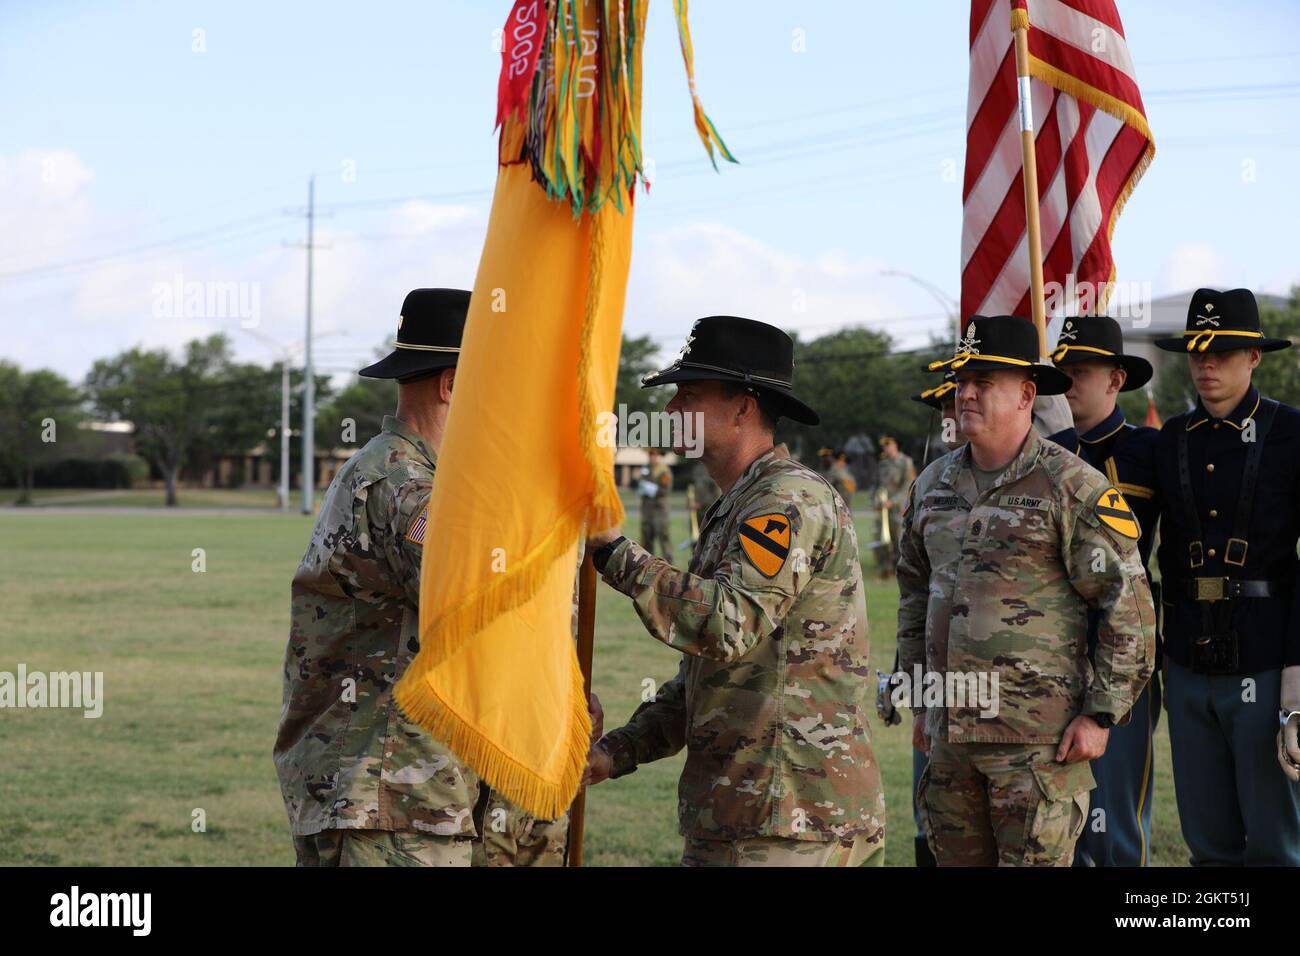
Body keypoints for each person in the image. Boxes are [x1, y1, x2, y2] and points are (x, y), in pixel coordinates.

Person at [273, 288, 568, 867]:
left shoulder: (419, 478)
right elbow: (482, 605)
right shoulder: (405, 486)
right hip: (390, 800)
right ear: (453, 384)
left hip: (403, 793)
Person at [583, 315, 886, 867]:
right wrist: (616, 752)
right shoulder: (739, 504)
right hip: (745, 816)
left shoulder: (787, 500)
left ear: (744, 408)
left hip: (792, 822)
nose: (671, 411)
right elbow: (708, 680)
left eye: (689, 394)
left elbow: (727, 624)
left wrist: (613, 552)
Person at [897, 314, 1156, 866]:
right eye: (962, 380)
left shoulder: (1073, 486)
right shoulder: (931, 485)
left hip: (1035, 747)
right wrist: (918, 693)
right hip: (949, 742)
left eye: (984, 382)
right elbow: (915, 593)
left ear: (1027, 394)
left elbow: (1127, 606)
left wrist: (1102, 714)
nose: (965, 392)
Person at [1151, 287, 1300, 866]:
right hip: (1188, 658)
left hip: (1266, 658)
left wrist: (1295, 676)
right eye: (1196, 353)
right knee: (1206, 840)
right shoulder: (1171, 440)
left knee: (1275, 842)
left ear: (1255, 357)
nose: (1206, 364)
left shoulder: (1291, 433)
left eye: (1223, 352)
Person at [1050, 315, 1162, 867]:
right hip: (1050, 656)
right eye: (1062, 370)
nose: (1069, 381)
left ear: (1116, 379)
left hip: (1121, 656)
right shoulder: (1044, 456)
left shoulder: (1151, 452)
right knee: (1053, 820)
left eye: (1082, 371)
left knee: (1114, 821)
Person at [875, 435, 915, 577]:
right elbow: (878, 485)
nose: (886, 448)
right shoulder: (883, 463)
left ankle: (901, 568)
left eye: (889, 444)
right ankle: (886, 568)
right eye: (884, 445)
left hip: (898, 508)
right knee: (883, 537)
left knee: (899, 537)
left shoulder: (905, 462)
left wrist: (893, 501)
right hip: (883, 508)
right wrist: (877, 500)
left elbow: (907, 485)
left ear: (896, 445)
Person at [639, 447, 673, 559]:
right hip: (647, 510)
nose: (652, 457)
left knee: (663, 538)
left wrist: (652, 489)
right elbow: (641, 485)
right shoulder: (646, 469)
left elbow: (666, 489)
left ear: (658, 456)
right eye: (650, 455)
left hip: (660, 510)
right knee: (646, 540)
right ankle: (647, 565)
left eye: (654, 454)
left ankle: (669, 563)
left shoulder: (664, 471)